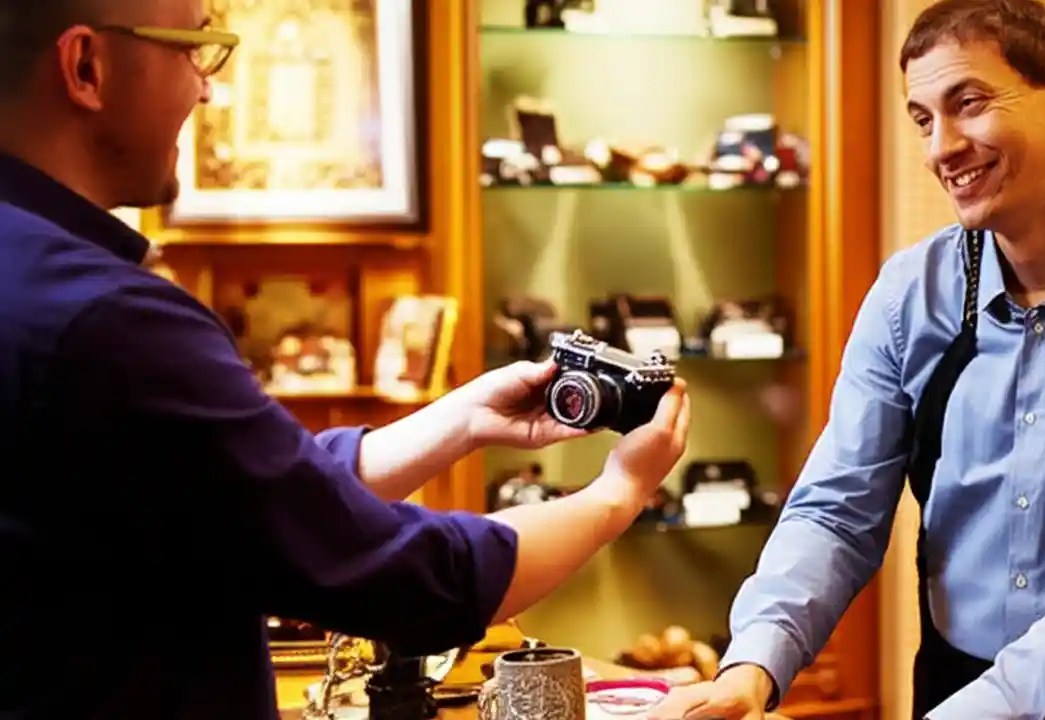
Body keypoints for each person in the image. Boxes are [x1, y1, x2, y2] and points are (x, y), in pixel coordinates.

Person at [0, 1, 691, 718]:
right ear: (87, 67)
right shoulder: (110, 318)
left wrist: (457, 423)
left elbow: (246, 492)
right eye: (193, 50)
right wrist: (617, 495)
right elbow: (401, 578)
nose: (208, 89)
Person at [648, 1, 1045, 719]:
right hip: (956, 688)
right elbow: (836, 510)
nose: (940, 147)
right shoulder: (908, 297)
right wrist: (752, 666)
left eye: (969, 104)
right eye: (923, 118)